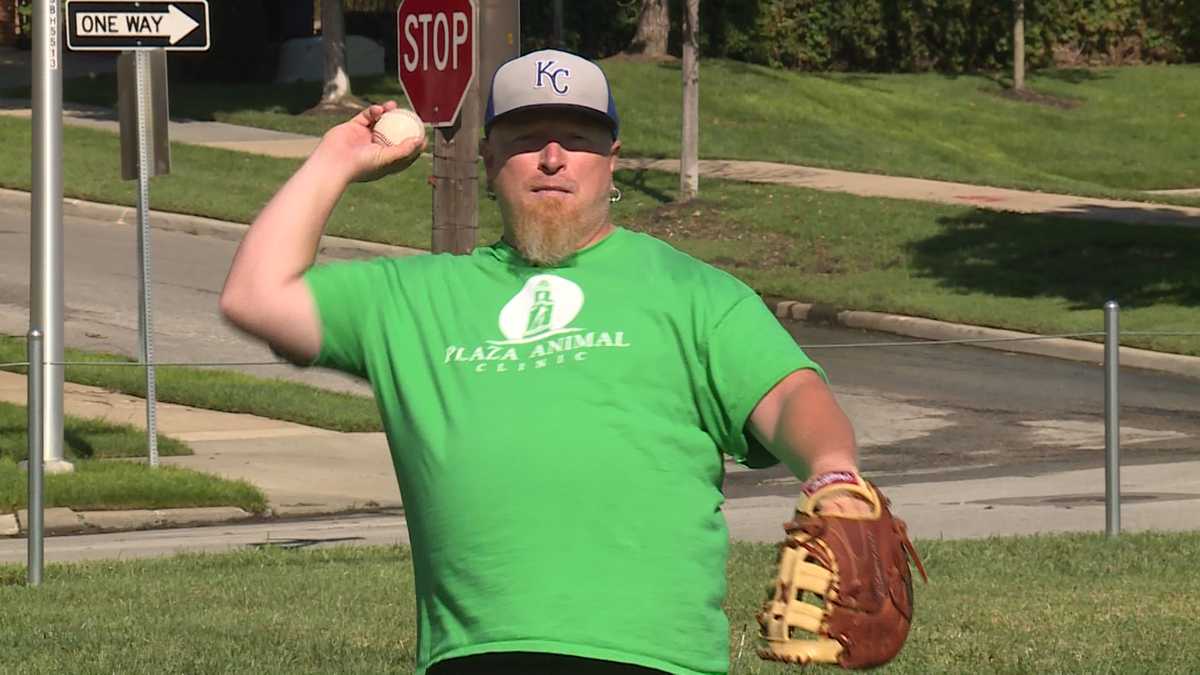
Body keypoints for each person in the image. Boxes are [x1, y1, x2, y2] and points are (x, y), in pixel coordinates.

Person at [220, 49, 868, 675]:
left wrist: (833, 472)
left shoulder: (689, 291)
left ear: (611, 162)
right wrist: (333, 160)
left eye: (578, 139)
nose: (553, 157)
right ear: (490, 157)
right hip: (476, 655)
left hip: (655, 659)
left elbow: (789, 394)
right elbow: (256, 295)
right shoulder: (415, 298)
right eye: (528, 136)